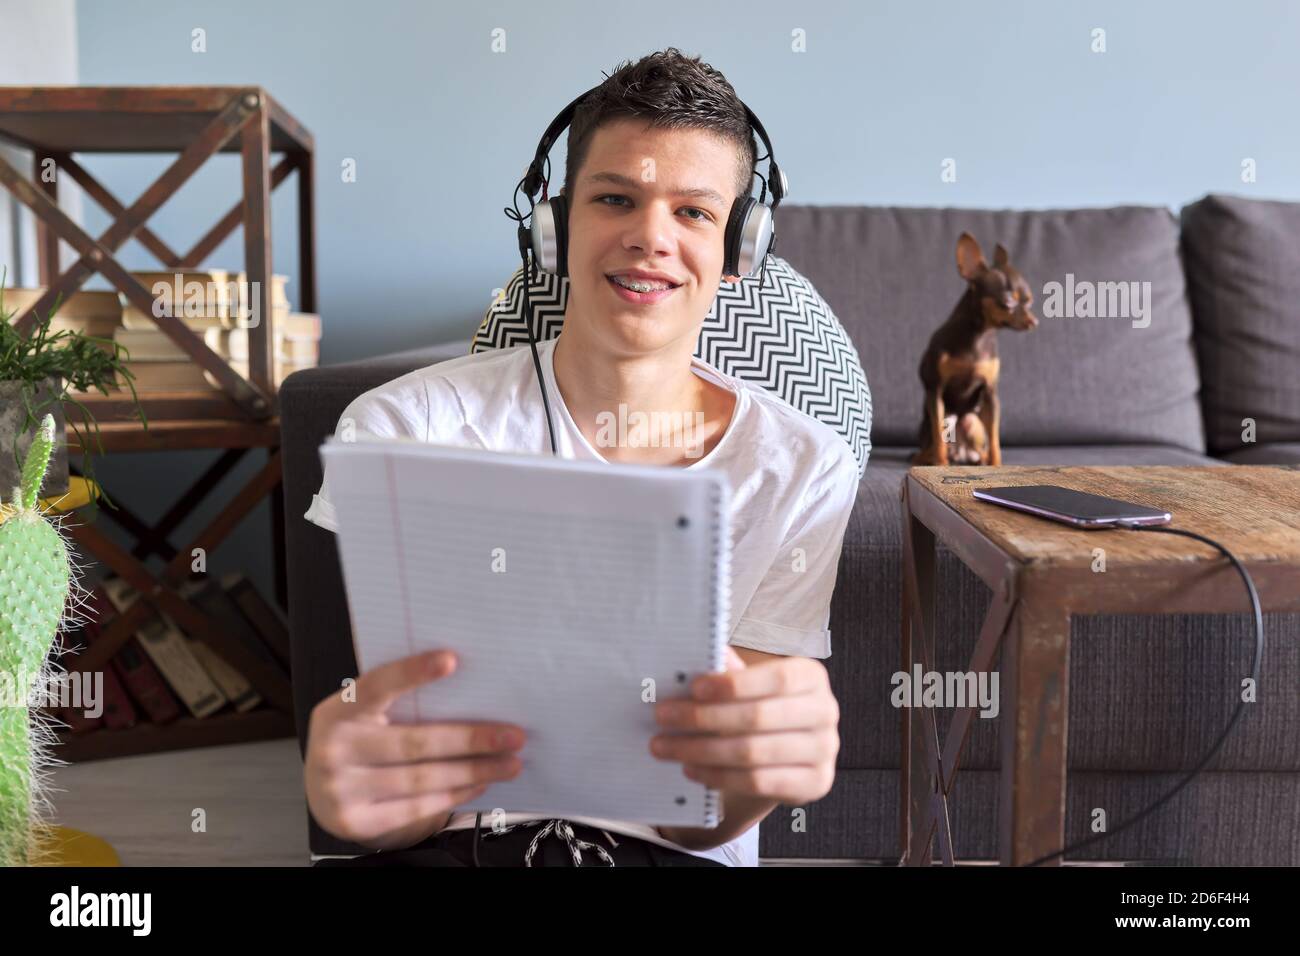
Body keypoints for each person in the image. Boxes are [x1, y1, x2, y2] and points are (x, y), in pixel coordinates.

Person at [303, 48, 860, 867]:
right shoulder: (402, 427)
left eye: (695, 213)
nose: (649, 238)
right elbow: (408, 813)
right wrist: (355, 802)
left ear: (741, 246)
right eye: (615, 199)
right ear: (555, 224)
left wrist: (761, 774)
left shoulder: (805, 470)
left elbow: (697, 822)